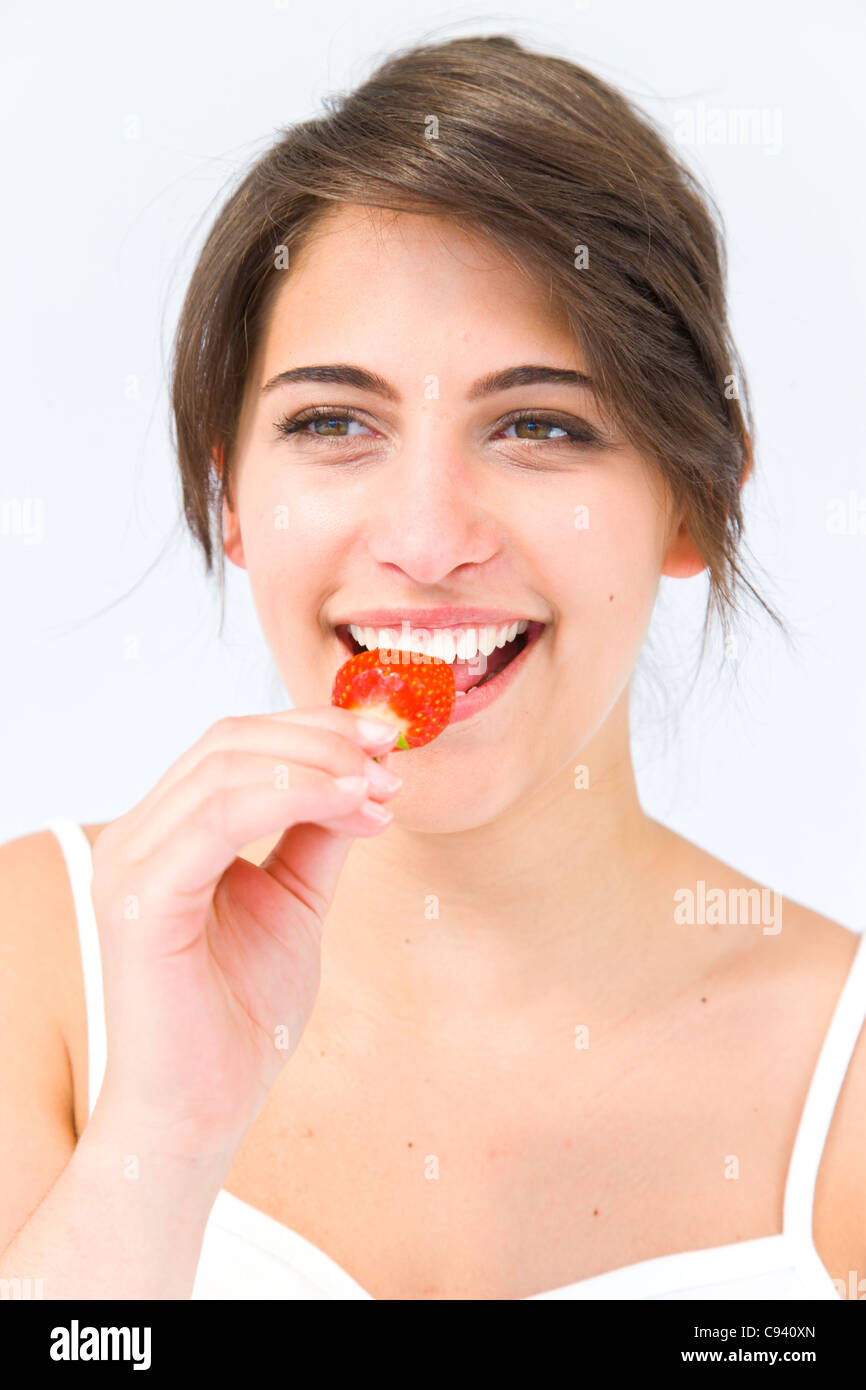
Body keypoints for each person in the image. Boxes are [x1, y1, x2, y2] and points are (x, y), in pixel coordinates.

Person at [1, 34, 864, 1302]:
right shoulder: (38, 961)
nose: (424, 542)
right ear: (227, 489)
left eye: (538, 426)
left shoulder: (842, 1093)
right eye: (332, 423)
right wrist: (161, 1141)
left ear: (691, 501)